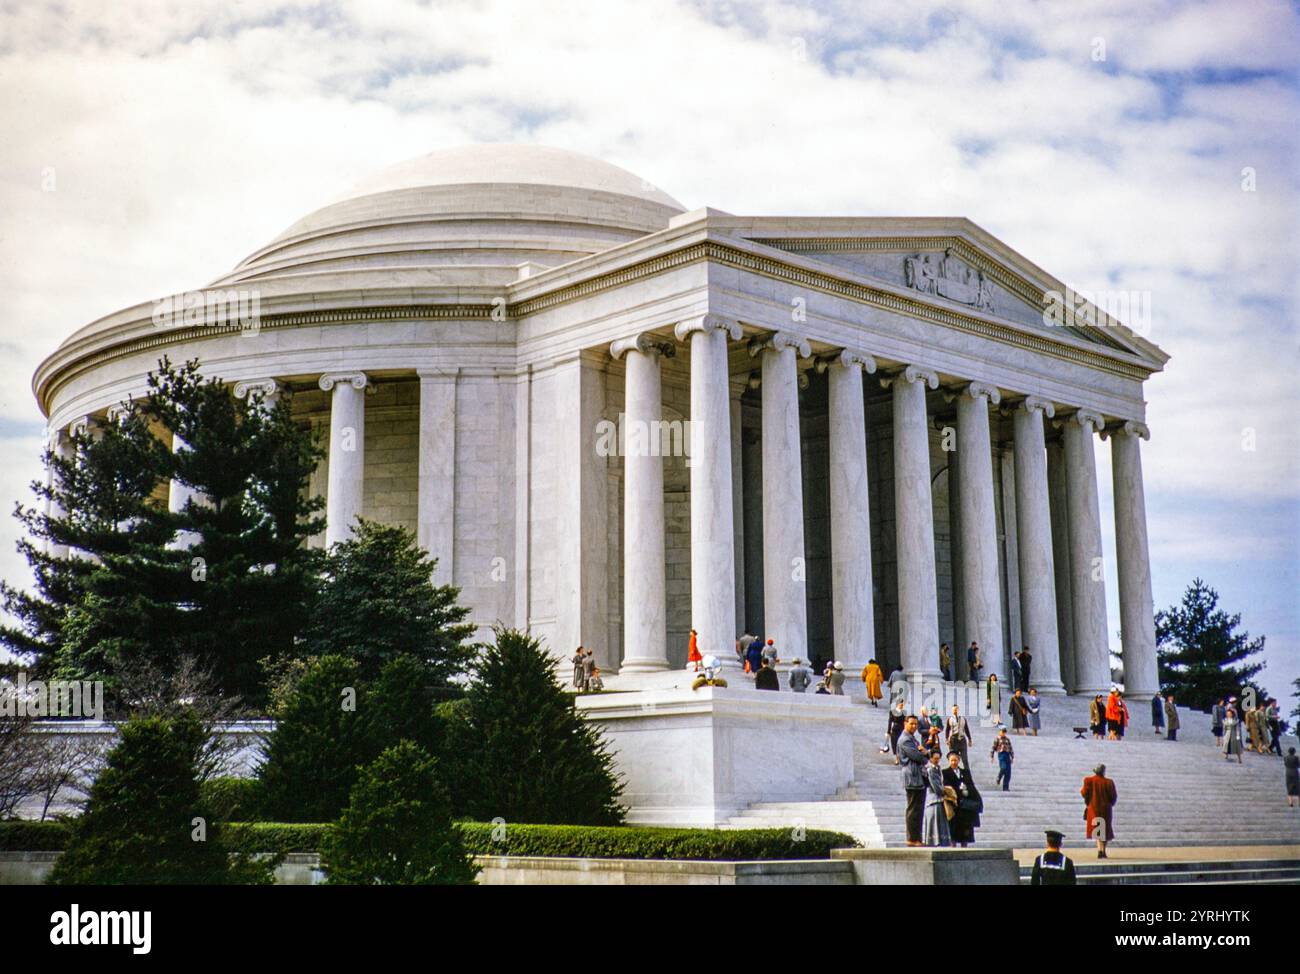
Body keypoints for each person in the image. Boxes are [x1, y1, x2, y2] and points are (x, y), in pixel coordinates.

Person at [899, 715, 930, 847]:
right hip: (912, 775)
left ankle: (917, 838)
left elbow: (920, 752)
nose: (914, 726)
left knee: (918, 808)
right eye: (911, 724)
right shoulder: (905, 739)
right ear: (905, 723)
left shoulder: (912, 738)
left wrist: (923, 752)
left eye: (916, 724)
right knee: (913, 808)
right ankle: (912, 838)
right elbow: (917, 756)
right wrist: (925, 754)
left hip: (917, 775)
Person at [942, 751, 980, 846]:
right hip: (954, 804)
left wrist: (968, 791)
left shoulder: (965, 772)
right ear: (949, 761)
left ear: (959, 760)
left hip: (965, 804)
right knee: (953, 827)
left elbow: (971, 784)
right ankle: (953, 845)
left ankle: (964, 845)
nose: (954, 762)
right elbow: (946, 786)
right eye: (952, 760)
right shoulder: (945, 772)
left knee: (966, 829)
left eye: (955, 760)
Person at [1081, 763, 1117, 858]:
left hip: (1094, 808)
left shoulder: (1089, 781)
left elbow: (1084, 792)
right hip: (1106, 809)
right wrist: (1110, 803)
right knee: (1105, 830)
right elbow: (1113, 797)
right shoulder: (1109, 782)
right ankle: (1102, 850)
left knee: (1098, 830)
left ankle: (1100, 850)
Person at [922, 750, 950, 847]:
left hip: (939, 799)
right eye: (935, 758)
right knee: (934, 823)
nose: (937, 760)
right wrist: (945, 791)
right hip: (933, 799)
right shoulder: (930, 769)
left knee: (940, 823)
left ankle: (940, 842)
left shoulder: (938, 768)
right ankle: (933, 842)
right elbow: (936, 787)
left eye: (938, 758)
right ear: (931, 758)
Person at [944, 704, 973, 771]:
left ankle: (967, 775)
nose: (955, 711)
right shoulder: (950, 719)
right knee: (953, 759)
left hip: (962, 740)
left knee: (965, 759)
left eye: (956, 709)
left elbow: (966, 729)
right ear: (952, 711)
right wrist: (946, 739)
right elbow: (947, 730)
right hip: (953, 741)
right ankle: (953, 774)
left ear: (958, 710)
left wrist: (969, 739)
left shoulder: (963, 719)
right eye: (954, 710)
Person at [883, 698, 906, 764]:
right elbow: (890, 721)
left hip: (902, 729)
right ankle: (897, 758)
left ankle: (901, 757)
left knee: (901, 744)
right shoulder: (893, 711)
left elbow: (905, 721)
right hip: (895, 729)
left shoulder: (904, 712)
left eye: (902, 704)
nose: (902, 705)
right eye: (901, 704)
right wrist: (888, 731)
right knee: (895, 744)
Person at [991, 726, 1014, 791]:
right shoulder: (997, 739)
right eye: (1002, 731)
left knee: (1008, 773)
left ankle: (1005, 787)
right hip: (1001, 754)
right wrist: (992, 756)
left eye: (1004, 732)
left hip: (1007, 755)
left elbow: (1010, 748)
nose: (1003, 733)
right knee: (1003, 767)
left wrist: (1012, 756)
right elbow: (993, 748)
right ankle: (999, 777)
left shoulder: (1007, 739)